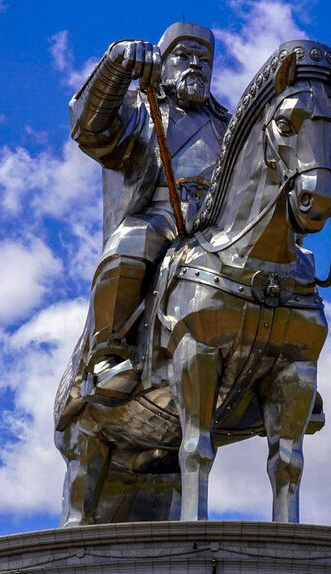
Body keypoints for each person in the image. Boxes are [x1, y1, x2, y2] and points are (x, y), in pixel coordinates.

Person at [66, 20, 230, 403]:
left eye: (203, 60)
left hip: (218, 226)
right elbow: (89, 129)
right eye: (184, 57)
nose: (195, 65)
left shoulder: (226, 124)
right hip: (161, 217)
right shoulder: (143, 107)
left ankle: (281, 363)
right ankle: (108, 352)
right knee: (131, 241)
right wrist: (116, 65)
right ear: (164, 61)